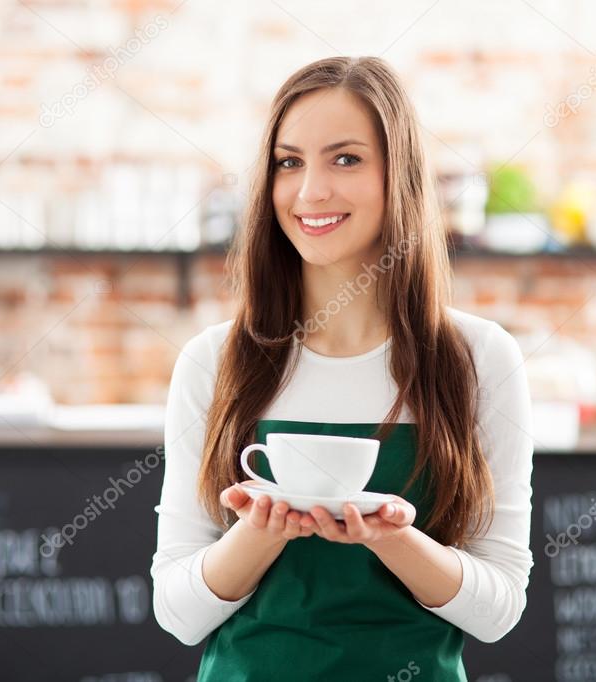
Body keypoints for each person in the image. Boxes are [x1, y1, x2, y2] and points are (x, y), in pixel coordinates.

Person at [150, 55, 534, 681]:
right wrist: (262, 533)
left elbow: (498, 611)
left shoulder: (478, 359)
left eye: (346, 158)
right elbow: (177, 613)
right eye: (289, 162)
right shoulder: (215, 361)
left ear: (399, 177)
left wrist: (391, 538)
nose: (311, 191)